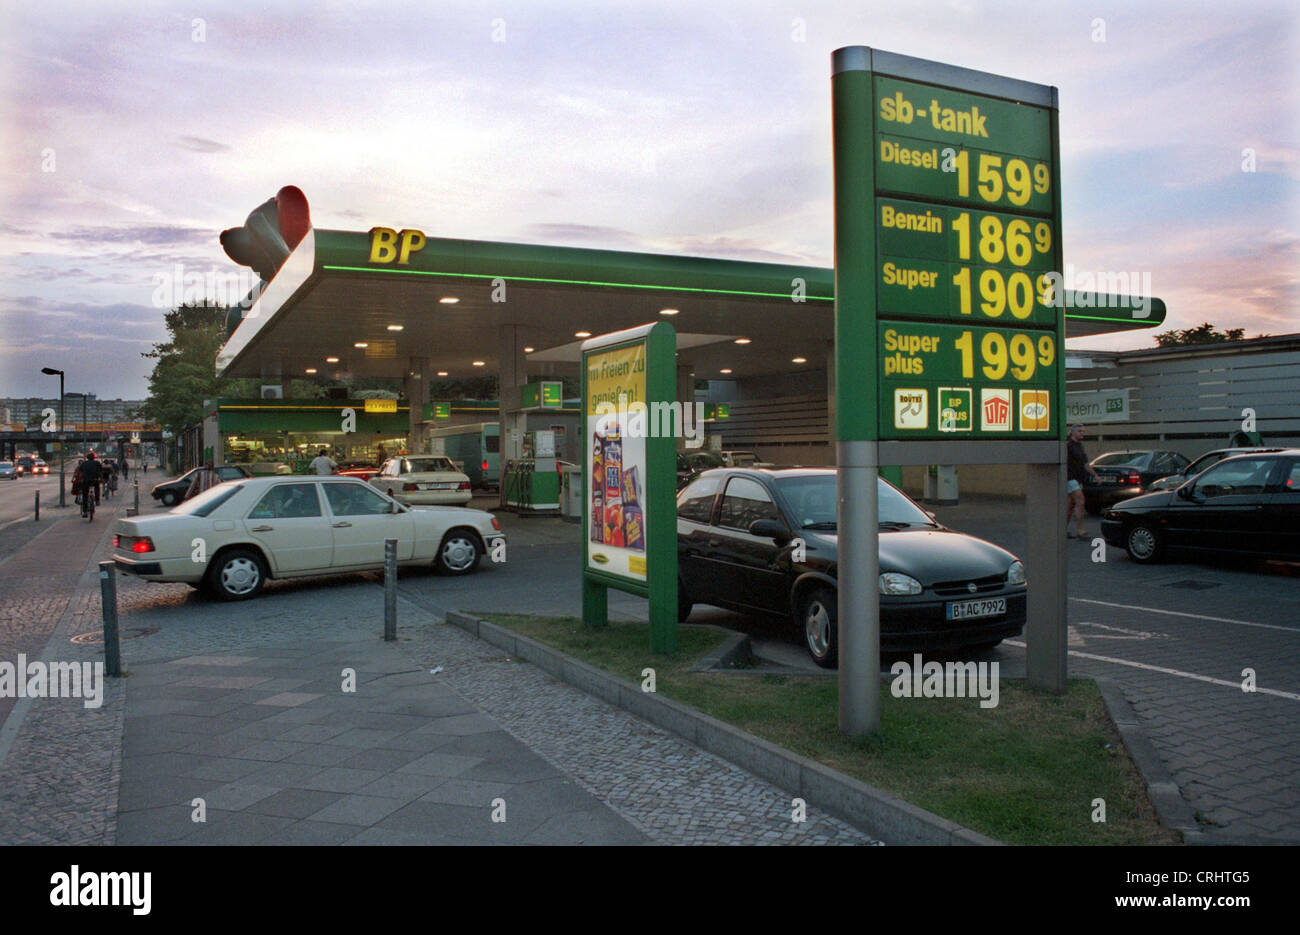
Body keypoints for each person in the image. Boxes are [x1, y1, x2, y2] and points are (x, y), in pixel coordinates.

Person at [1066, 424, 1100, 539]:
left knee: (1070, 505)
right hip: (1069, 478)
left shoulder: (1080, 446)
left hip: (1078, 478)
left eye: (1083, 431)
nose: (1082, 433)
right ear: (1073, 432)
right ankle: (1081, 531)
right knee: (1080, 501)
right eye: (1080, 431)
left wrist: (1095, 475)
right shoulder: (1068, 445)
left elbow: (1085, 464)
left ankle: (1061, 529)